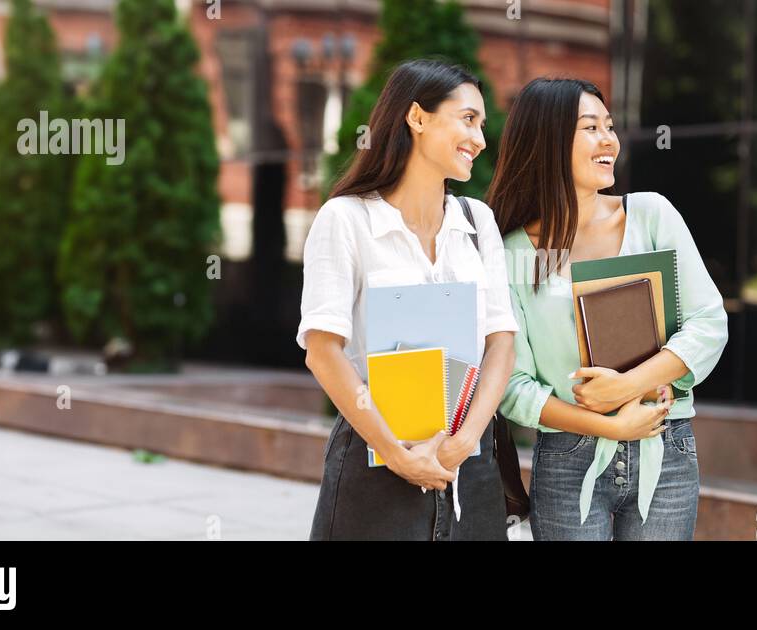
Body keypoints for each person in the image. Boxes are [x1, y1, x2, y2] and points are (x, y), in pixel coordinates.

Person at [490, 78, 728, 540]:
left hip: (665, 443)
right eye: (590, 127)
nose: (608, 140)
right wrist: (604, 421)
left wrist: (629, 386)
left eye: (610, 126)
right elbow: (513, 386)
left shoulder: (651, 215)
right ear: (548, 140)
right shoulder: (513, 252)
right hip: (568, 455)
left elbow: (708, 322)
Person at [298, 59, 517, 540]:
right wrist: (397, 452)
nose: (481, 139)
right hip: (375, 458)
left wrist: (463, 443)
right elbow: (322, 349)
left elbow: (501, 341)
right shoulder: (345, 219)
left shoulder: (478, 222)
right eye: (467, 120)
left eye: (482, 124)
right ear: (417, 118)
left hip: (470, 465)